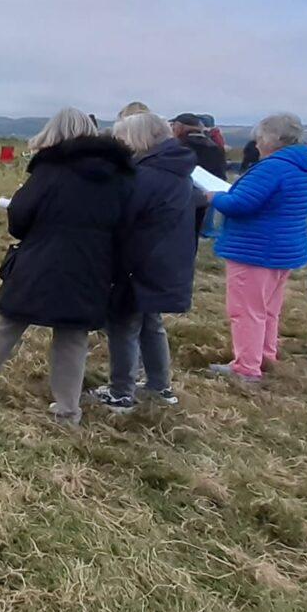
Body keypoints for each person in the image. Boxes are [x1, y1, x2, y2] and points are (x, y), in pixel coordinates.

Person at [0, 109, 133, 425]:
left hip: (43, 260)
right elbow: (127, 224)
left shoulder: (51, 170)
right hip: (92, 265)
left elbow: (20, 217)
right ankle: (67, 411)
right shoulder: (119, 175)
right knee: (73, 336)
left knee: (8, 324)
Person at [92, 113, 197, 409]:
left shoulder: (144, 176)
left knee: (123, 324)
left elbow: (120, 218)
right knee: (151, 322)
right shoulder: (177, 171)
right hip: (166, 261)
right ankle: (159, 385)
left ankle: (121, 392)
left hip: (138, 263)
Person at [205, 113, 307, 382]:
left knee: (246, 310)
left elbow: (240, 204)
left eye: (259, 138)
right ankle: (265, 355)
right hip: (283, 247)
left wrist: (215, 197)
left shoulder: (271, 168)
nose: (256, 144)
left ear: (271, 138)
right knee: (268, 308)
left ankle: (246, 368)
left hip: (255, 249)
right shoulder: (303, 166)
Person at [170, 113, 226, 234]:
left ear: (179, 127)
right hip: (207, 190)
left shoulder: (178, 146)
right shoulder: (214, 146)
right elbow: (220, 169)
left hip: (183, 192)